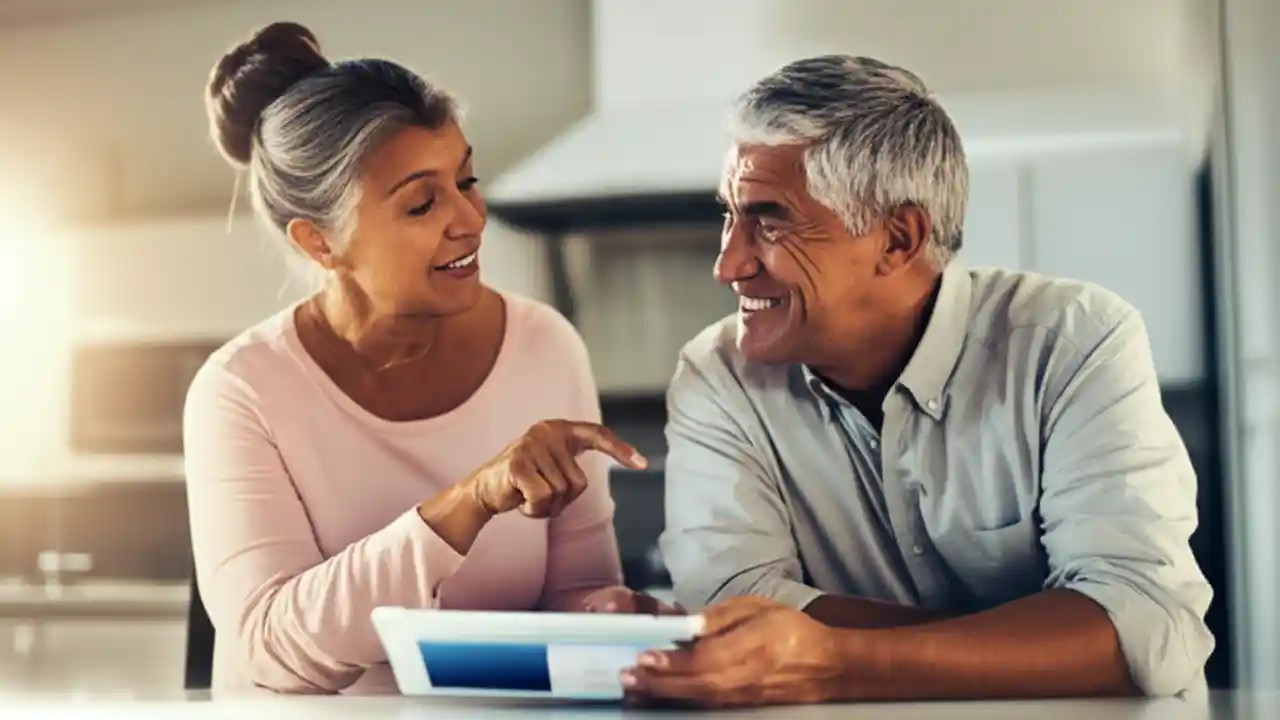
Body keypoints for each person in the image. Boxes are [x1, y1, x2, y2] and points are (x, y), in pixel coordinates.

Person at [630, 55, 1214, 707]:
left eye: (770, 220)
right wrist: (1039, 639)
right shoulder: (718, 377)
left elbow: (1141, 628)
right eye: (729, 215)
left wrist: (830, 656)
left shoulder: (1074, 343)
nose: (728, 264)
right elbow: (735, 610)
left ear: (898, 239)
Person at [187, 22, 657, 695]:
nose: (469, 218)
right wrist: (472, 499)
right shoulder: (242, 390)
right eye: (421, 202)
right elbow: (271, 648)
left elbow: (577, 591)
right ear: (320, 243)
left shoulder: (545, 347)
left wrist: (617, 620)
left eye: (467, 180)